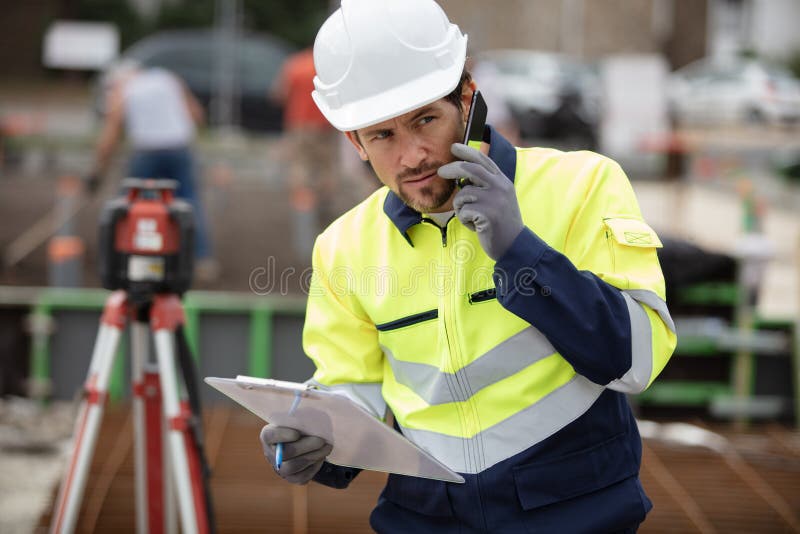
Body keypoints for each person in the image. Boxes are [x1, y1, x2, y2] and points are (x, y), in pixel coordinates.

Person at [259, 1, 677, 532]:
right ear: (355, 143)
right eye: (382, 136)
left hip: (573, 512)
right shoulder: (343, 246)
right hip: (425, 517)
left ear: (468, 99)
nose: (411, 156)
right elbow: (354, 391)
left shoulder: (583, 186)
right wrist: (316, 440)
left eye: (425, 120)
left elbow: (637, 361)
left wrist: (522, 251)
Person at [88, 62, 217, 278]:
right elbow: (197, 114)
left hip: (147, 149)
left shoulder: (124, 88)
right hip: (180, 146)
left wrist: (96, 173)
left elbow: (110, 135)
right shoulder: (167, 77)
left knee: (129, 202)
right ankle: (202, 260)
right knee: (188, 201)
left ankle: (118, 253)